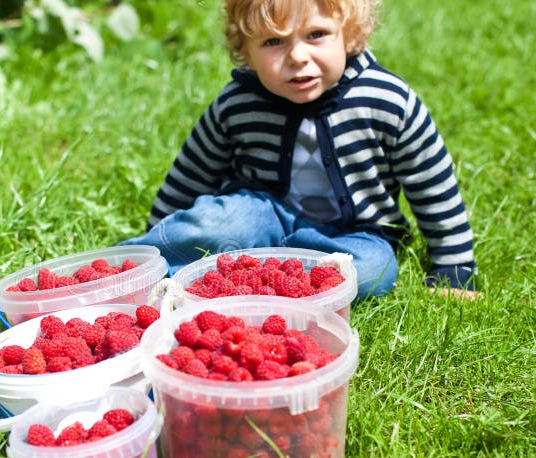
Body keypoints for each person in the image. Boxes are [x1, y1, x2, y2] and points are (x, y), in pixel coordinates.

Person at [120, 0, 477, 299]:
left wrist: (454, 269)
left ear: (350, 34)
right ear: (244, 50)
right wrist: (162, 234)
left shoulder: (386, 101)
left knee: (371, 271)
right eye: (273, 42)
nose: (297, 56)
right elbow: (192, 172)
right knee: (219, 222)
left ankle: (261, 276)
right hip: (263, 214)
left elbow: (434, 186)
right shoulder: (238, 103)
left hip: (358, 232)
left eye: (316, 35)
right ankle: (130, 269)